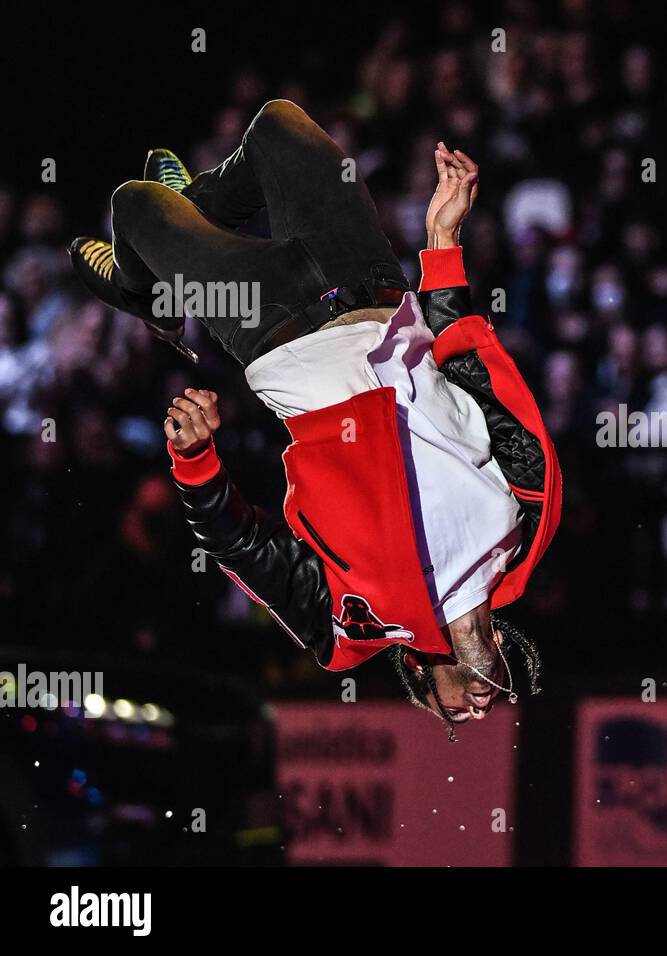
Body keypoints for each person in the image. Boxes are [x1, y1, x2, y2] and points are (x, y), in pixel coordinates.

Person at [67, 100, 561, 739]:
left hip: (271, 329)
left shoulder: (348, 631)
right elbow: (474, 373)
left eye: (458, 717)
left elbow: (241, 545)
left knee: (134, 207)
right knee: (280, 127)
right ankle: (187, 234)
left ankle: (149, 293)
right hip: (368, 286)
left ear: (423, 690)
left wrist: (195, 462)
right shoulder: (525, 526)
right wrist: (443, 246)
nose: (477, 706)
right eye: (490, 703)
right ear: (512, 662)